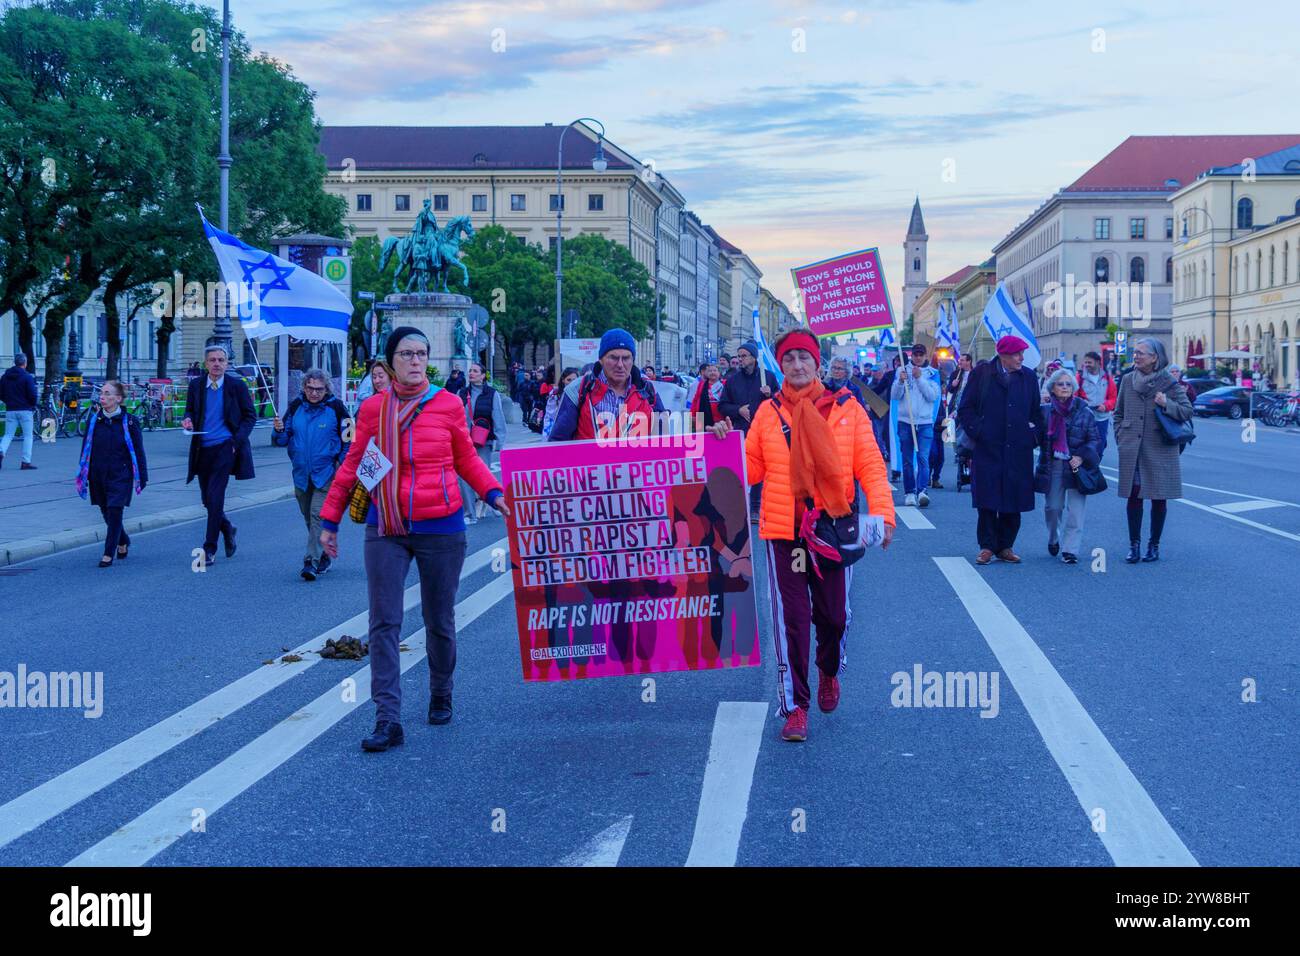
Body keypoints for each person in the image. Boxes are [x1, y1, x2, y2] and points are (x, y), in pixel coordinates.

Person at [318, 327, 507, 753]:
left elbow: (466, 458)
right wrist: (329, 520)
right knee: (383, 621)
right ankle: (387, 719)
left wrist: (494, 494)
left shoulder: (447, 404)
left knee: (438, 618)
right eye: (406, 354)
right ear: (390, 362)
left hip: (441, 526)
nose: (416, 361)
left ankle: (441, 691)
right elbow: (353, 466)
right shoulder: (372, 410)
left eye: (421, 353)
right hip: (387, 527)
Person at [709, 327, 895, 742]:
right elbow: (751, 469)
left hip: (834, 528)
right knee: (790, 620)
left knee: (833, 617)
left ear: (817, 364)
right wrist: (723, 446)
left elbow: (870, 465)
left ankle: (828, 670)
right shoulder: (768, 412)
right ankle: (795, 706)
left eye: (804, 358)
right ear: (781, 364)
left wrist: (883, 513)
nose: (796, 366)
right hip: (785, 532)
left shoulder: (847, 408)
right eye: (789, 359)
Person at [956, 336, 1045, 565]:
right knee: (988, 499)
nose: (1021, 358)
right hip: (989, 448)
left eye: (1022, 354)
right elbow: (965, 408)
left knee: (1013, 499)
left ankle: (1005, 546)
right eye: (1017, 354)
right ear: (1004, 355)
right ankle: (986, 546)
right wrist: (980, 431)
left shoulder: (1029, 377)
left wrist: (1032, 437)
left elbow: (1036, 413)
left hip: (1018, 449)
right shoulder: (983, 374)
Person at [1115, 337, 1193, 564]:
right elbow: (1118, 413)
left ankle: (1154, 545)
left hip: (1160, 447)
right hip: (1132, 447)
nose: (1136, 356)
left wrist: (1166, 403)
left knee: (1159, 497)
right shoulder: (1128, 380)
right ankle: (1134, 545)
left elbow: (1186, 411)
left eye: (1141, 353)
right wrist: (1120, 435)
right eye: (1135, 352)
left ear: (1155, 358)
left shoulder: (1168, 382)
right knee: (1134, 495)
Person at [272, 368, 351, 580]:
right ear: (304, 387)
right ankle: (323, 551)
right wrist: (278, 430)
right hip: (301, 474)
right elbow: (281, 440)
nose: (314, 393)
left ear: (326, 389)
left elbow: (349, 440)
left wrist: (342, 464)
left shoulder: (337, 408)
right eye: (310, 388)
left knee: (318, 515)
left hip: (326, 473)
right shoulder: (296, 406)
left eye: (319, 389)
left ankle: (310, 561)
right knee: (309, 517)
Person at [182, 343, 256, 567]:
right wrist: (187, 419)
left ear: (227, 363)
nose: (216, 364)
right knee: (207, 500)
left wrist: (236, 442)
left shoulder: (236, 386)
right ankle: (227, 527)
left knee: (216, 498)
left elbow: (249, 416)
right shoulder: (196, 386)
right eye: (212, 360)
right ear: (206, 363)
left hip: (225, 447)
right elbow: (190, 411)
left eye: (220, 360)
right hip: (201, 448)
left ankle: (209, 548)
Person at [76, 380, 148, 567]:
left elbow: (139, 450)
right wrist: (82, 474)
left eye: (108, 393)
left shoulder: (130, 421)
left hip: (121, 474)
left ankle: (108, 553)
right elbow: (86, 448)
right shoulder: (94, 420)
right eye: (102, 393)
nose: (103, 397)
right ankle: (122, 540)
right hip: (98, 474)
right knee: (106, 512)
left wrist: (142, 474)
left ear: (118, 398)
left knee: (115, 510)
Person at [1034, 369, 1100, 565]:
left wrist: (1082, 456)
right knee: (1053, 508)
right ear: (1052, 388)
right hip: (1053, 466)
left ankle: (1070, 549)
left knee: (1076, 512)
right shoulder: (1044, 411)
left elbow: (1096, 440)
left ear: (1074, 388)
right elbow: (1034, 437)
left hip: (1076, 468)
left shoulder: (1084, 412)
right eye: (1060, 384)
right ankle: (1053, 537)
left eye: (1068, 384)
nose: (1064, 387)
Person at [548, 329, 664, 441]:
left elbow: (664, 440)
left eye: (626, 358)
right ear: (601, 359)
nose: (620, 364)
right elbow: (557, 443)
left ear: (632, 360)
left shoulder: (647, 391)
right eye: (613, 358)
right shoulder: (578, 389)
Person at [719, 340, 779, 521]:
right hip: (740, 431)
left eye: (744, 356)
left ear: (754, 358)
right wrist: (738, 410)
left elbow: (781, 402)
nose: (740, 359)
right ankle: (735, 505)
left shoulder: (767, 377)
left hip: (763, 431)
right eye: (739, 356)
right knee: (738, 468)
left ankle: (755, 508)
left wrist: (772, 395)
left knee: (758, 469)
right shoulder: (732, 380)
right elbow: (723, 406)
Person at [891, 343, 940, 508]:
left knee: (923, 458)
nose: (918, 357)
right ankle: (910, 492)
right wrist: (899, 381)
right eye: (915, 354)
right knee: (907, 460)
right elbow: (895, 396)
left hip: (925, 423)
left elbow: (932, 396)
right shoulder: (901, 371)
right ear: (912, 355)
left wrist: (919, 378)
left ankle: (922, 491)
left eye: (921, 354)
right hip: (906, 421)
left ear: (925, 356)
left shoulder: (933, 374)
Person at [458, 361, 507, 523]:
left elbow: (498, 417)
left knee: (483, 473)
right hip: (464, 440)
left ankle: (491, 502)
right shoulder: (462, 392)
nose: (471, 373)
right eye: (470, 371)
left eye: (475, 371)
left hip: (483, 440)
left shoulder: (492, 394)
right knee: (463, 477)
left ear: (482, 375)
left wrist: (500, 442)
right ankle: (469, 513)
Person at [0, 352, 39, 470]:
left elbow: (1, 393)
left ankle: (1, 451)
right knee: (28, 436)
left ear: (15, 363)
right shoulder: (27, 377)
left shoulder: (5, 376)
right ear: (25, 363)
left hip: (11, 409)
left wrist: (8, 402)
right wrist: (32, 405)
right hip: (25, 410)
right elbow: (32, 394)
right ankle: (25, 462)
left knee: (8, 435)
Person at [1076, 351, 1116, 459]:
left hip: (1101, 419)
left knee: (1100, 444)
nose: (1087, 365)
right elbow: (1074, 397)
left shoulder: (1107, 379)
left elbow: (1113, 398)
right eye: (1085, 362)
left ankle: (1095, 466)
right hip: (1084, 418)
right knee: (1083, 444)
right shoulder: (1079, 378)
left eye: (1089, 362)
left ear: (1098, 362)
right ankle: (1084, 466)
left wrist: (1106, 406)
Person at [947, 354, 974, 490]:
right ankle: (959, 451)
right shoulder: (956, 374)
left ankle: (967, 452)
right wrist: (952, 385)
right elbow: (949, 390)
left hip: (969, 408)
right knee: (955, 431)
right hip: (956, 407)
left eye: (962, 360)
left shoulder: (975, 373)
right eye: (959, 360)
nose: (960, 363)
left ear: (969, 361)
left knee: (967, 431)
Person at [543, 366, 579, 437]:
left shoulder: (580, 393)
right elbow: (550, 417)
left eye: (574, 380)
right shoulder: (555, 393)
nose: (572, 383)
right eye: (569, 380)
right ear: (563, 380)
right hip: (559, 430)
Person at [690, 361, 725, 428]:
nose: (712, 372)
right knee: (701, 437)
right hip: (701, 416)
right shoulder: (701, 384)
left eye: (715, 370)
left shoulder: (724, 384)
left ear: (719, 373)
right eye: (710, 371)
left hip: (719, 418)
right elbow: (695, 399)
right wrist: (692, 415)